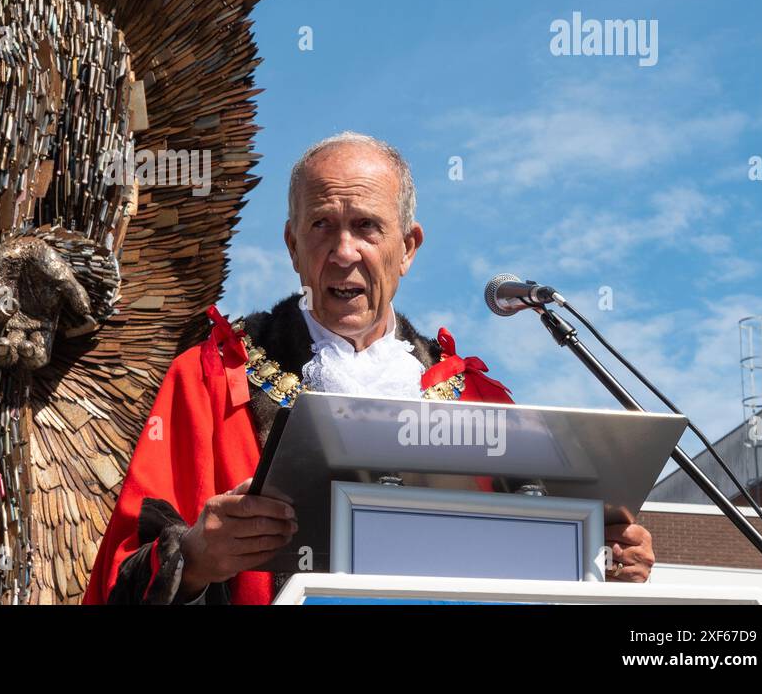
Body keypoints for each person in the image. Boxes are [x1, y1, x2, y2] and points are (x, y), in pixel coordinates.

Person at [83, 131, 655, 604]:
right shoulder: (208, 379)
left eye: (367, 227)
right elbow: (119, 573)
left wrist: (600, 558)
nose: (344, 250)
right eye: (322, 225)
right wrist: (197, 559)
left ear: (408, 248)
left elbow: (526, 572)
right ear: (292, 246)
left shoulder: (476, 397)